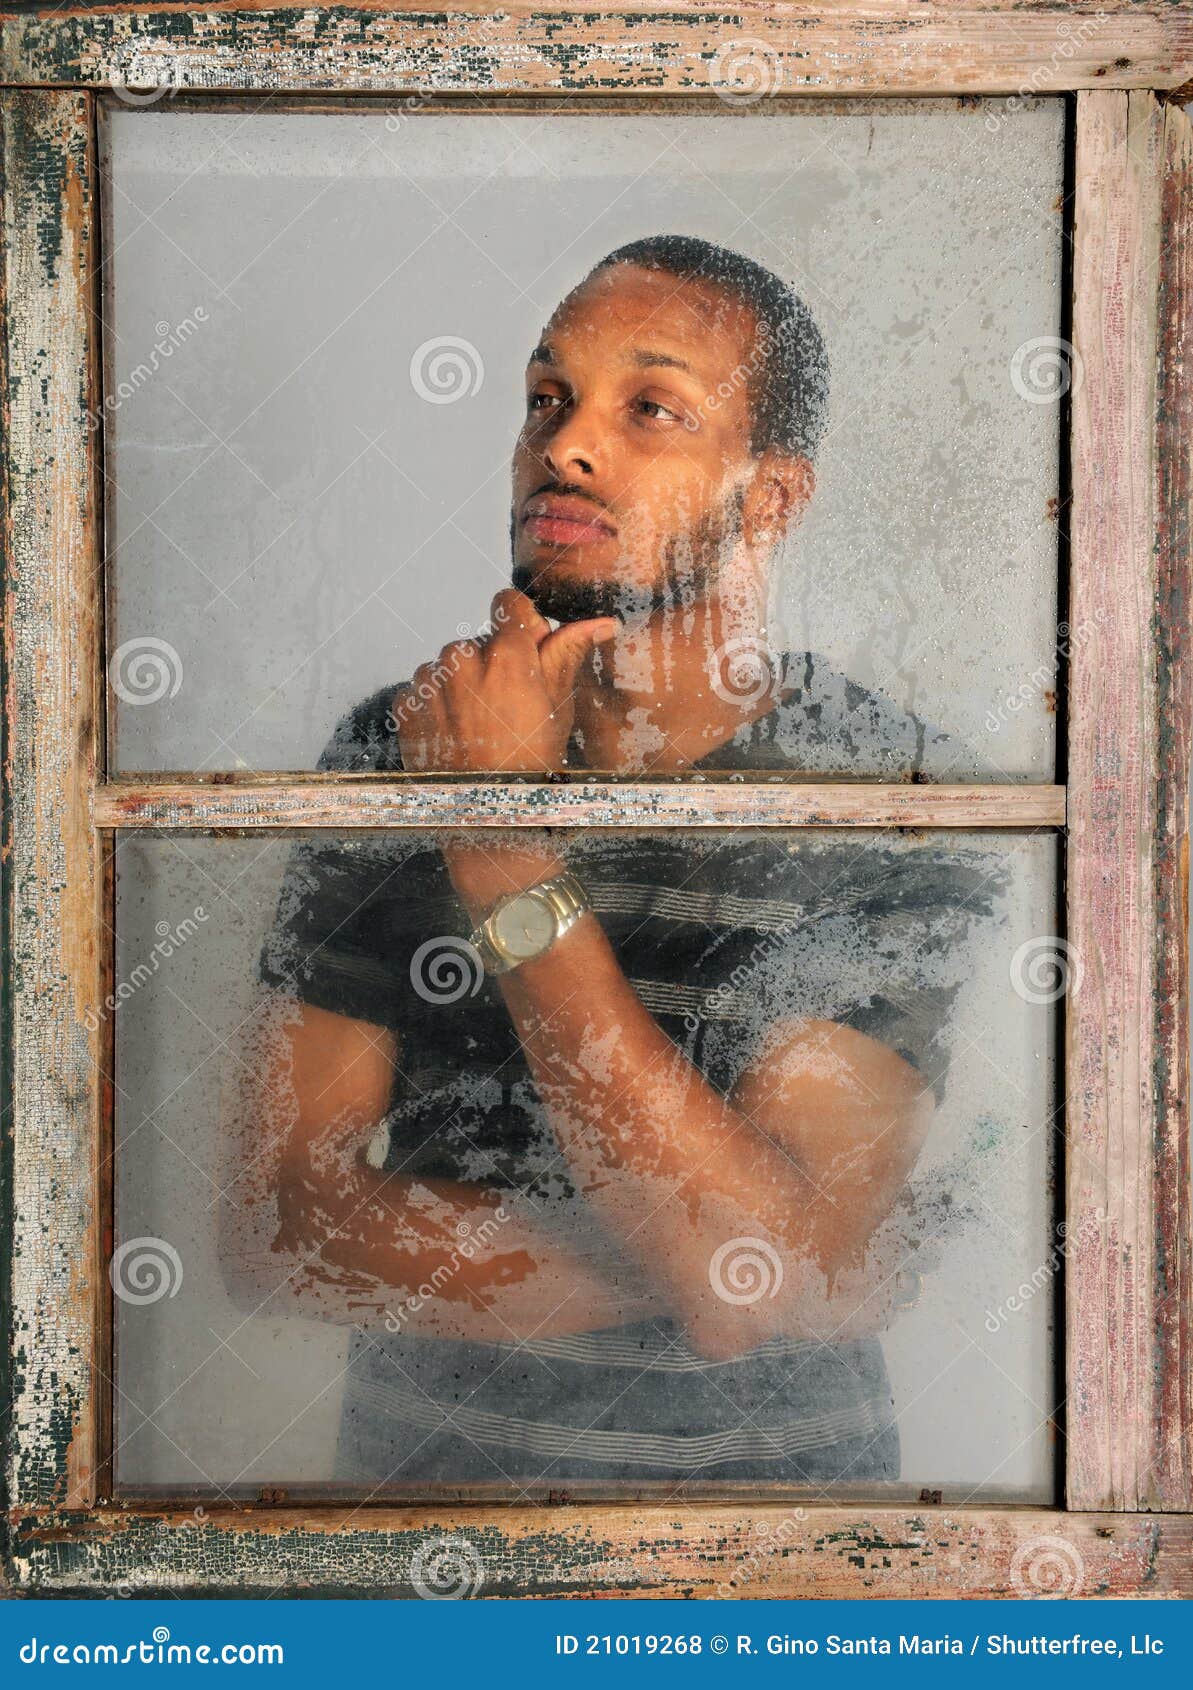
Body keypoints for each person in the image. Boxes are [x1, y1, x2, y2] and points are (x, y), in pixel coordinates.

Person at [223, 236, 1002, 1490]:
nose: (565, 446)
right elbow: (282, 1227)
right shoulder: (391, 746)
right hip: (422, 1562)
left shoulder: (894, 793)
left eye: (649, 408)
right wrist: (699, 1258)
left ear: (770, 497)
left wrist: (501, 856)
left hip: (770, 1589)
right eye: (547, 398)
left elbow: (782, 1266)